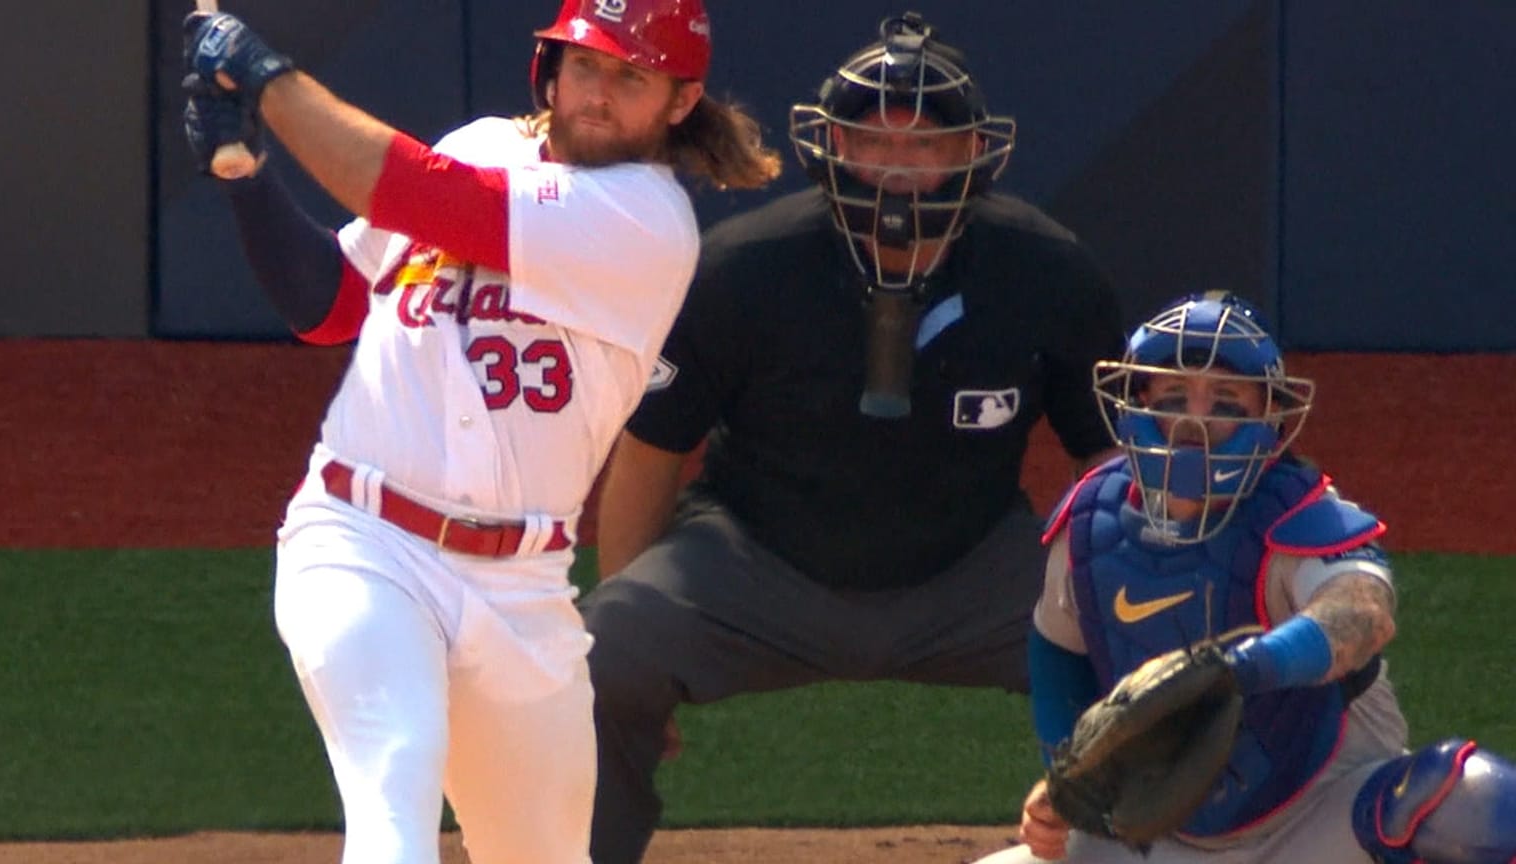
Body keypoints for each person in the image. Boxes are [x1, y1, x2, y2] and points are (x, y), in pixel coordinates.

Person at [180, 2, 780, 862]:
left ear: (680, 103)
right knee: (394, 811)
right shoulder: (480, 146)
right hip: (363, 542)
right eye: (584, 66)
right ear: (550, 67)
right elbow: (329, 304)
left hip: (523, 592)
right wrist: (244, 178)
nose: (597, 95)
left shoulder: (646, 222)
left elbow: (422, 194)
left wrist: (267, 78)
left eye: (629, 76)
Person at [576, 12, 1126, 863]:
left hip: (973, 567)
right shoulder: (741, 269)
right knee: (601, 651)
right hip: (755, 561)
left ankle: (1117, 846)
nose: (896, 169)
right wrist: (637, 663)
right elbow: (651, 449)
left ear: (969, 155)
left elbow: (1111, 466)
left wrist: (1137, 608)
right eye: (872, 142)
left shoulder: (1048, 273)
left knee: (1155, 646)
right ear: (829, 147)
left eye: (924, 145)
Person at [977, 292, 1516, 864]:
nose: (1194, 421)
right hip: (1158, 838)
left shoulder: (1299, 515)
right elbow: (1057, 648)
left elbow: (1362, 613)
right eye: (1174, 395)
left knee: (1472, 803)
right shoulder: (1091, 523)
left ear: (1268, 420)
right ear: (1136, 404)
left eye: (1226, 402)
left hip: (1315, 823)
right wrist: (1066, 787)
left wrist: (1240, 669)